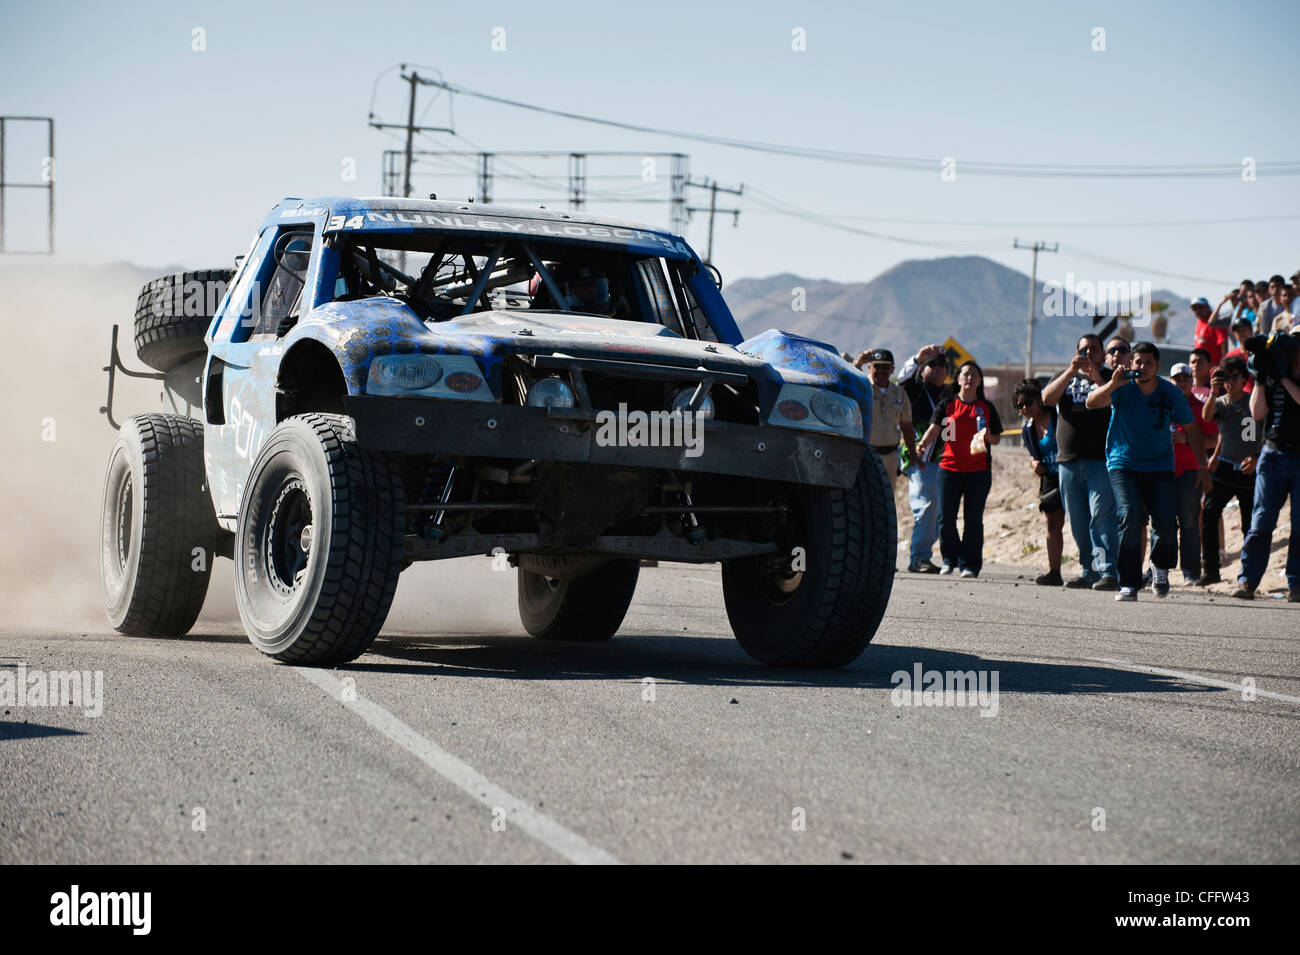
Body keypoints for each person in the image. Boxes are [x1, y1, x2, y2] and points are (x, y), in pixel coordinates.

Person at [1086, 342, 1211, 601]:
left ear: (1157, 365)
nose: (1142, 367)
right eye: (1138, 362)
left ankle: (1159, 567)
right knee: (1130, 517)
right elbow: (1091, 403)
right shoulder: (1121, 387)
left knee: (1166, 524)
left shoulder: (1170, 393)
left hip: (1160, 465)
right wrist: (1112, 384)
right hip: (1124, 463)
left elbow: (1192, 428)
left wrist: (1203, 467)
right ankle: (1128, 583)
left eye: (1149, 363)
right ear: (1131, 362)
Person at [1040, 334, 1121, 589]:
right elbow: (1047, 399)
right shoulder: (1064, 376)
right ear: (1076, 351)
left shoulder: (1110, 377)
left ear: (1102, 353)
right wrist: (1070, 372)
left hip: (1100, 459)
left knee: (1102, 516)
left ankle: (1109, 571)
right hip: (1068, 460)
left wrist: (1095, 374)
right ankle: (1089, 571)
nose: (1089, 353)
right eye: (1084, 349)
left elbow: (1113, 398)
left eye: (1094, 349)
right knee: (1078, 520)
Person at [917, 360, 1002, 578]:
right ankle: (949, 560)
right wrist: (922, 445)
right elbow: (934, 429)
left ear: (979, 380)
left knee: (973, 520)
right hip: (949, 469)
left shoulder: (986, 408)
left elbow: (997, 438)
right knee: (946, 518)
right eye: (965, 374)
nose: (969, 378)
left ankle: (970, 565)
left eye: (974, 374)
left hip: (978, 471)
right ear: (958, 379)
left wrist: (987, 436)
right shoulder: (947, 405)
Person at [1235, 336, 1300, 601]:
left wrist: (1285, 378)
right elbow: (1256, 414)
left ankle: (1296, 584)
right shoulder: (1273, 372)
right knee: (1260, 522)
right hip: (1273, 455)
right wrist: (1262, 377)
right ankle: (1247, 582)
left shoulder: (1285, 375)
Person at [1197, 356, 1262, 585]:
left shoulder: (1251, 403)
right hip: (1224, 467)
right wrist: (1213, 393)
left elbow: (1255, 437)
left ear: (1244, 378)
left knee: (1249, 524)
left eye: (1235, 377)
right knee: (1210, 513)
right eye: (1227, 378)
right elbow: (1206, 417)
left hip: (1248, 470)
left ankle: (1248, 574)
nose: (1230, 382)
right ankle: (1211, 570)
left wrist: (1255, 458)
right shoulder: (1221, 402)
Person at [901, 345, 951, 573]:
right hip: (919, 457)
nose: (939, 368)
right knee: (926, 506)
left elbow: (953, 426)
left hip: (945, 460)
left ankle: (924, 555)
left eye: (943, 365)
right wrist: (917, 358)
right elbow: (902, 382)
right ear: (922, 370)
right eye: (933, 364)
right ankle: (918, 558)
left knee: (939, 511)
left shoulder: (950, 394)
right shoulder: (915, 390)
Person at [1015, 380, 1065, 586]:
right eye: (1020, 405)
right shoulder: (1027, 430)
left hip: (1070, 474)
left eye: (1028, 402)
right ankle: (1054, 571)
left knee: (1086, 522)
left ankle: (1094, 569)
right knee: (1052, 524)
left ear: (1039, 401)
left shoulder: (1058, 416)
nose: (1025, 408)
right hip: (1050, 480)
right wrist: (1033, 463)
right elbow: (1033, 456)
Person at [1169, 362, 1214, 582]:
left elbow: (1214, 439)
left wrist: (1188, 439)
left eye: (1186, 379)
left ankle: (1191, 572)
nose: (1182, 382)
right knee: (1162, 524)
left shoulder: (1200, 406)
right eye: (1177, 379)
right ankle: (1159, 570)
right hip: (1163, 471)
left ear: (1191, 381)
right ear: (1171, 382)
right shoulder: (1162, 406)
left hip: (1191, 471)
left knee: (1189, 524)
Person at [863, 349, 918, 485]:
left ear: (892, 369)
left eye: (886, 367)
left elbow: (906, 426)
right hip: (867, 455)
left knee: (888, 499)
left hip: (891, 457)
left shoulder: (899, 393)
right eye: (877, 366)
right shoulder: (862, 389)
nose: (881, 371)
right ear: (869, 368)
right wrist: (858, 363)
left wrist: (913, 454)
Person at [1191, 298, 1226, 366]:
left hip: (1213, 367)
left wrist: (1223, 365)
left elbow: (1223, 342)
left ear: (1208, 307)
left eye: (1201, 307)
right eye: (1194, 308)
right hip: (1201, 367)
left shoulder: (1214, 322)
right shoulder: (1199, 322)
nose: (1198, 310)